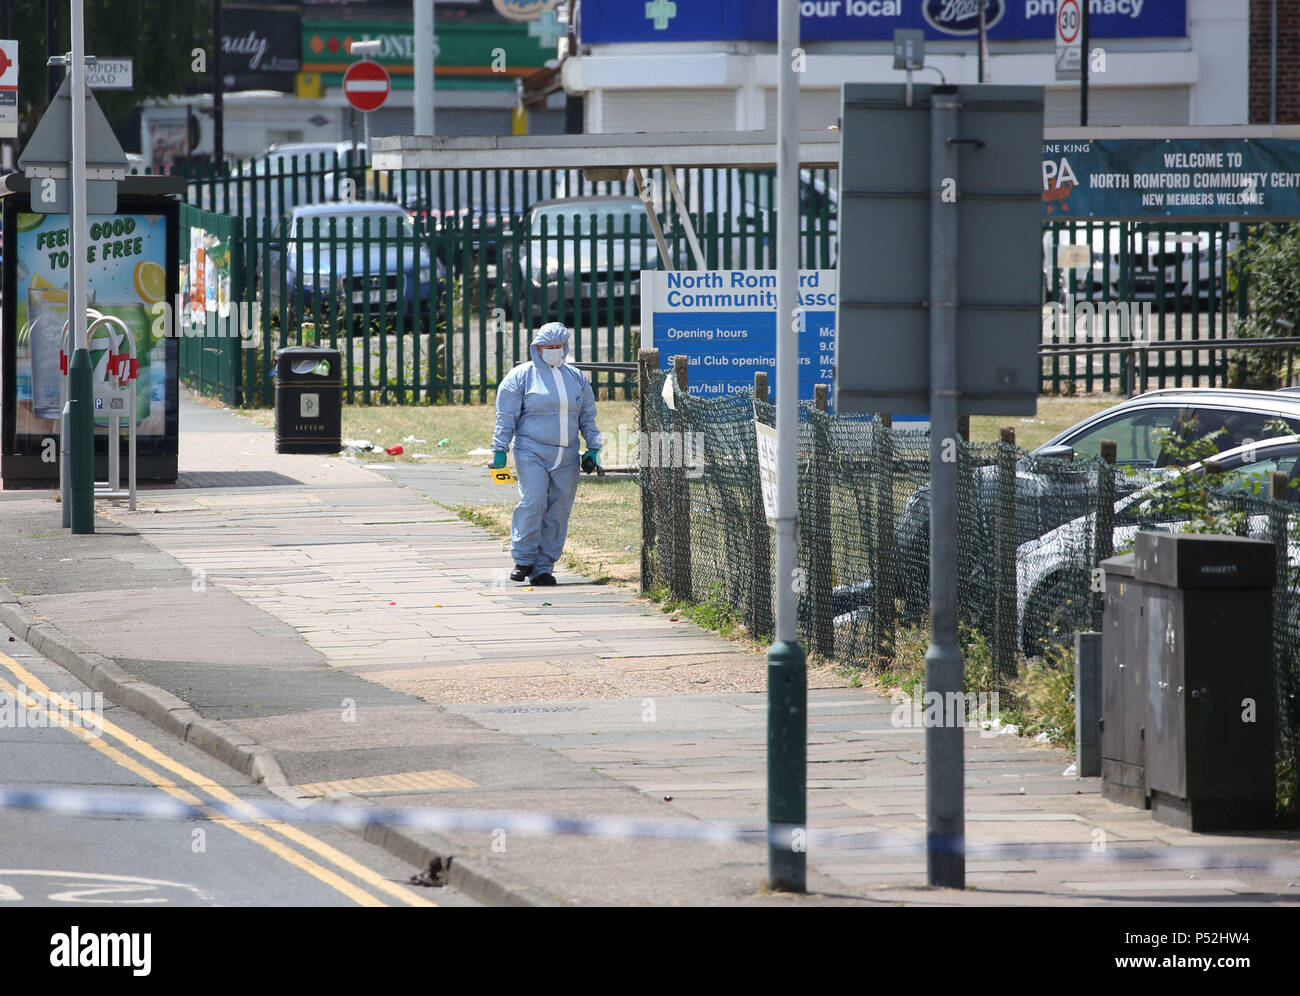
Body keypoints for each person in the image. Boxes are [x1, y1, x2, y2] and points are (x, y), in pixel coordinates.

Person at [492, 322, 602, 586]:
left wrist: (593, 448)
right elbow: (505, 417)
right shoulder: (521, 377)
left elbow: (587, 416)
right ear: (537, 348)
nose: (553, 351)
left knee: (559, 510)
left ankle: (543, 567)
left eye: (558, 346)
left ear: (565, 347)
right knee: (533, 501)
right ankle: (523, 559)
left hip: (567, 455)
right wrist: (499, 449)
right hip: (531, 450)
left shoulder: (576, 378)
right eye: (547, 346)